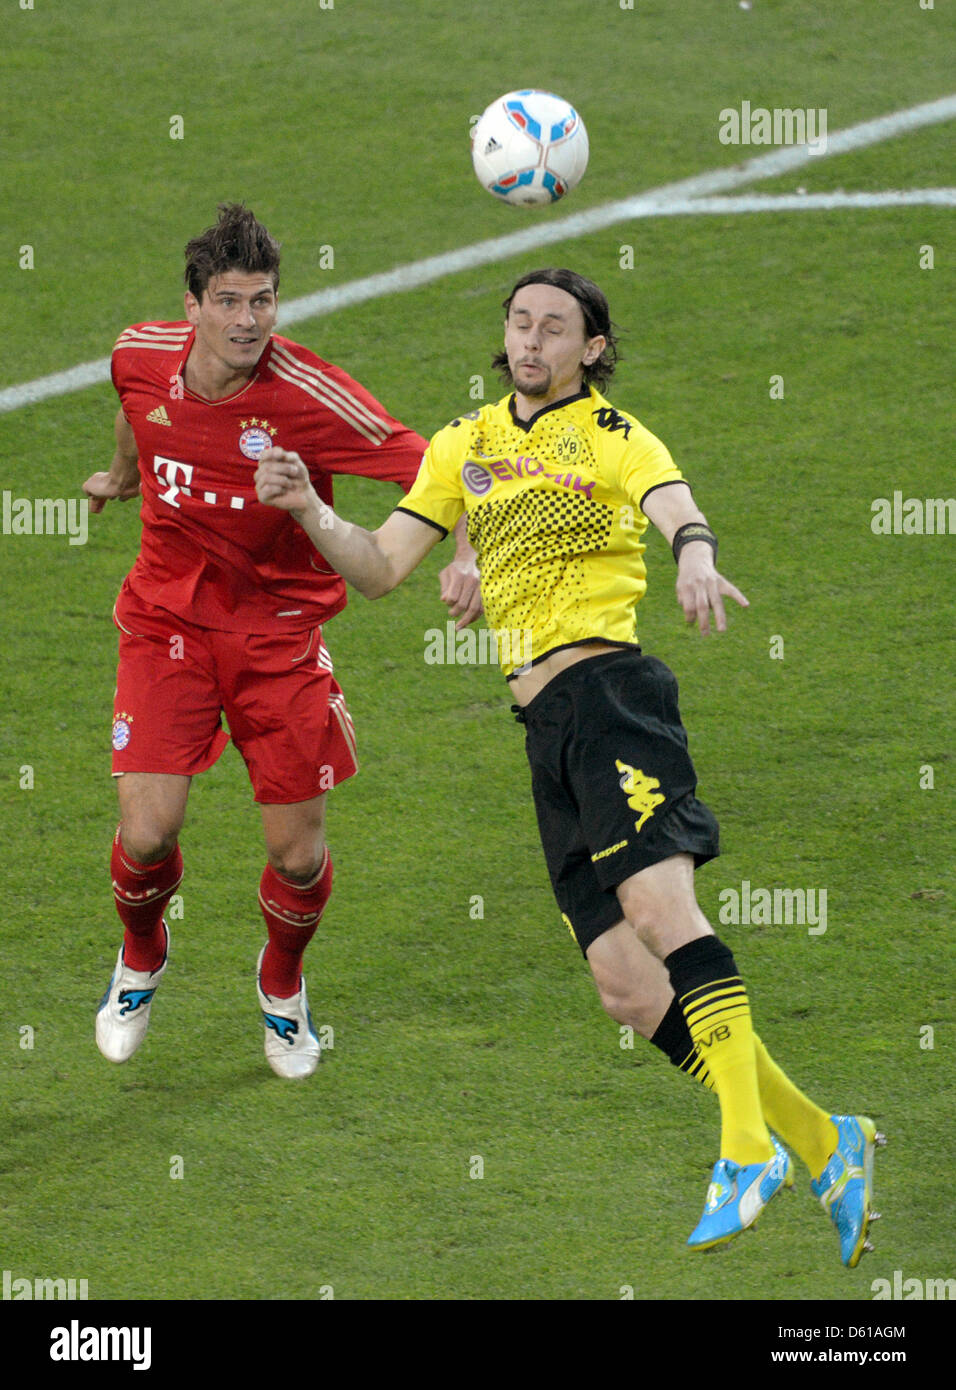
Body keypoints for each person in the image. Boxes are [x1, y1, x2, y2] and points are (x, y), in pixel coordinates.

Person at [253, 266, 884, 1260]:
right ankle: (821, 1136)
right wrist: (305, 510)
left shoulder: (612, 436)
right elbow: (377, 567)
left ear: (592, 348)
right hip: (544, 735)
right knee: (628, 989)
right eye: (519, 323)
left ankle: (744, 1149)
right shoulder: (465, 445)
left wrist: (693, 553)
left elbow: (674, 505)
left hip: (613, 701)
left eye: (556, 328)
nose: (532, 341)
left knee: (659, 915)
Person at [82, 203, 480, 1081]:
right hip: (167, 621)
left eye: (263, 300)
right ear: (191, 306)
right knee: (147, 837)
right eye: (228, 301)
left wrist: (468, 547)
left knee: (296, 855)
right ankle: (142, 955)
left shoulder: (308, 396)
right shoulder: (139, 354)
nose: (248, 321)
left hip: (279, 633)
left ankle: (283, 984)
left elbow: (441, 461)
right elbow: (132, 406)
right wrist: (121, 474)